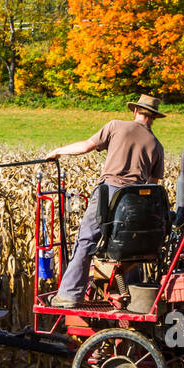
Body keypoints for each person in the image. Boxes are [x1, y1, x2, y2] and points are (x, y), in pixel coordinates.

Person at [43, 93, 166, 306]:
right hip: (135, 204)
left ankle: (69, 295)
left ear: (135, 111)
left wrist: (57, 152)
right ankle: (130, 294)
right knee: (132, 245)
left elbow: (85, 146)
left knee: (86, 241)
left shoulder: (116, 126)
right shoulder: (156, 145)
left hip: (109, 193)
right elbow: (153, 187)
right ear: (153, 117)